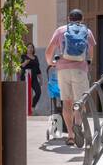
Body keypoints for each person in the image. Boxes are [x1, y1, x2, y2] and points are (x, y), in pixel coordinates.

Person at [44, 9, 96, 146]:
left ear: (68, 18)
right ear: (82, 19)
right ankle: (78, 125)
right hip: (80, 69)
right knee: (80, 102)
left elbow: (49, 50)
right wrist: (88, 61)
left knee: (67, 102)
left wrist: (51, 63)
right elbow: (91, 52)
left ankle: (71, 136)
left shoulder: (60, 30)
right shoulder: (87, 31)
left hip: (63, 70)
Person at [19, 43, 42, 112]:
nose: (30, 49)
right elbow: (20, 66)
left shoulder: (36, 57)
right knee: (25, 94)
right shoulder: (23, 56)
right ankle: (24, 109)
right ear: (26, 49)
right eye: (28, 47)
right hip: (25, 77)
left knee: (38, 92)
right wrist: (25, 62)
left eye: (31, 47)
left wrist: (41, 79)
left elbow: (38, 69)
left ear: (33, 49)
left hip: (34, 78)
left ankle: (32, 106)